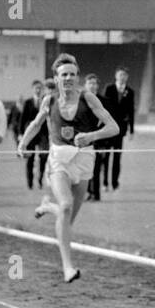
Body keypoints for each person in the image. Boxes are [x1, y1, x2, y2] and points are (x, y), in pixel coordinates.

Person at [17, 54, 120, 282]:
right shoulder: (49, 101)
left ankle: (46, 206)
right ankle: (68, 268)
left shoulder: (88, 98)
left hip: (84, 160)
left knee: (67, 219)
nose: (69, 79)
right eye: (64, 75)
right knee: (65, 206)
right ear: (56, 77)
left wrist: (92, 135)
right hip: (59, 160)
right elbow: (35, 125)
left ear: (77, 77)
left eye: (73, 74)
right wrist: (23, 143)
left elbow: (114, 127)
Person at [99, 67, 136, 190]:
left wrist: (131, 130)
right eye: (120, 74)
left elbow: (131, 111)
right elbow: (102, 107)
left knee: (117, 157)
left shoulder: (130, 92)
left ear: (127, 77)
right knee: (106, 156)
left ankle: (115, 182)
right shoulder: (109, 89)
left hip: (121, 129)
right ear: (116, 76)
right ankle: (105, 182)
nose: (122, 77)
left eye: (125, 75)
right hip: (108, 127)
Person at [18, 80, 49, 190]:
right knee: (30, 158)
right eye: (36, 88)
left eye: (40, 88)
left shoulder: (46, 101)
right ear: (33, 89)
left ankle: (40, 179)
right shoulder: (28, 102)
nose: (38, 90)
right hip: (31, 133)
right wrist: (21, 134)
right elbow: (22, 119)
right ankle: (30, 182)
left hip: (43, 134)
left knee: (43, 156)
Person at [83, 73, 106, 201]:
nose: (93, 86)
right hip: (84, 141)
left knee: (96, 170)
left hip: (98, 142)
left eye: (95, 83)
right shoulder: (81, 101)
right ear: (86, 85)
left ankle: (96, 194)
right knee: (85, 169)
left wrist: (104, 144)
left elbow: (109, 125)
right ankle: (88, 192)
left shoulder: (104, 101)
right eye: (90, 83)